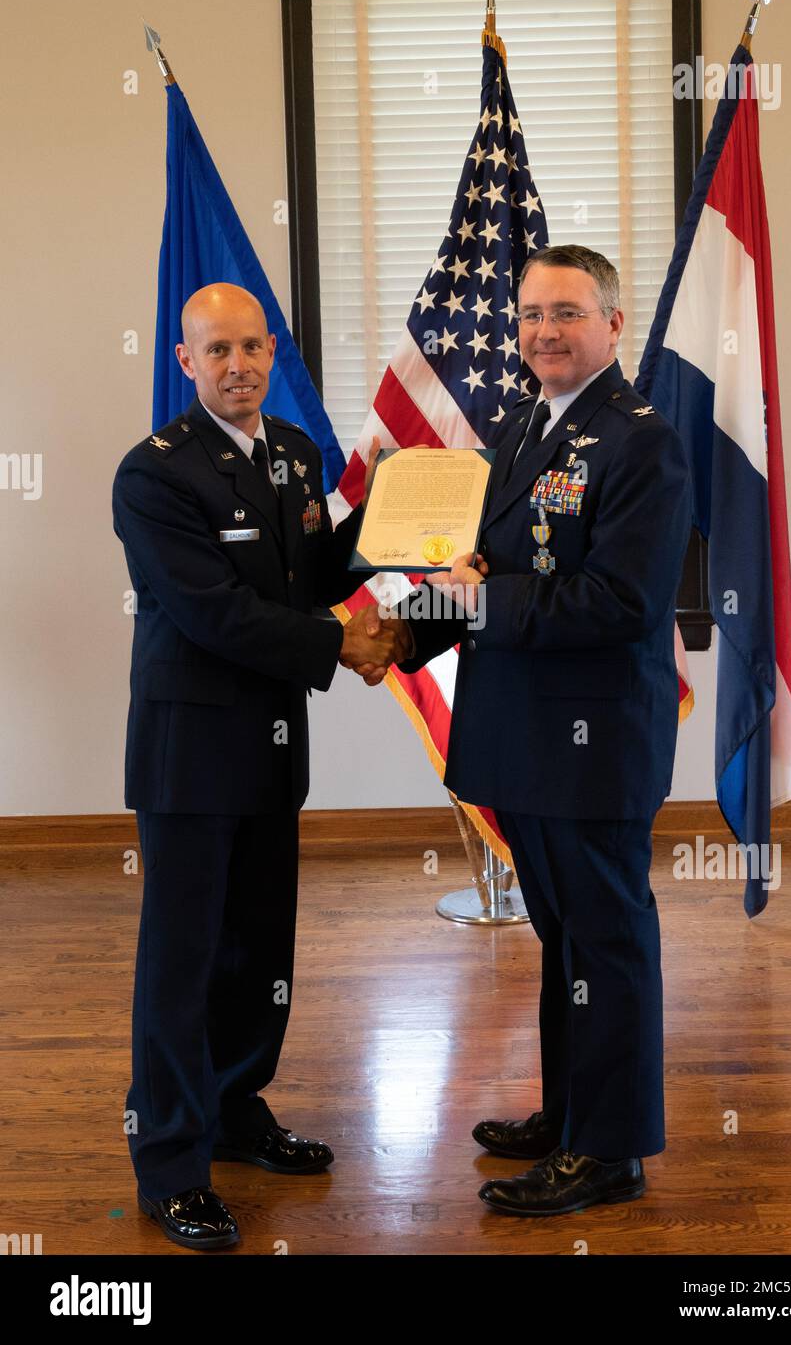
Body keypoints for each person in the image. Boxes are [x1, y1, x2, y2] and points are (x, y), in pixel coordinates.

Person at [379, 244, 693, 1216]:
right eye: (529, 315)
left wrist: (473, 601)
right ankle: (568, 1110)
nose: (544, 332)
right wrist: (392, 629)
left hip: (596, 738)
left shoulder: (642, 440)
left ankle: (609, 1150)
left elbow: (619, 600)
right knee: (564, 937)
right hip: (529, 734)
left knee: (606, 940)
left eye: (565, 313)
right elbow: (484, 569)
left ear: (612, 323)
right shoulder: (523, 424)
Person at [112, 283, 410, 1249]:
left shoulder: (290, 453)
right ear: (183, 359)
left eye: (253, 347)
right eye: (218, 350)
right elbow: (214, 614)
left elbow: (312, 576)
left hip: (271, 748)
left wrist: (400, 519)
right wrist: (346, 650)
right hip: (191, 754)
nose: (238, 365)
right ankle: (169, 1162)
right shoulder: (153, 475)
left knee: (257, 953)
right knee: (184, 961)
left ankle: (237, 1111)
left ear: (272, 352)